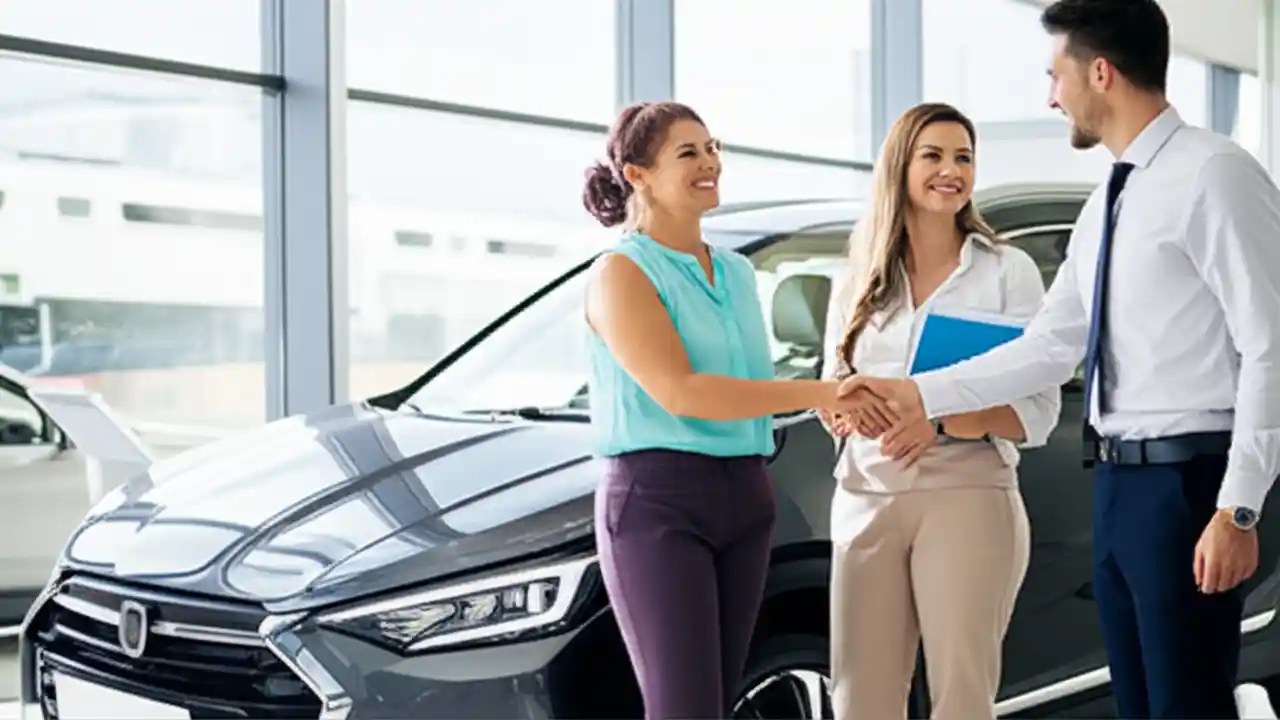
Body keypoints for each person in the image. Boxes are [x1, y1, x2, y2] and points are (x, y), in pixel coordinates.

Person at [840, 1, 1280, 717]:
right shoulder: (1108, 197)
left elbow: (1271, 343)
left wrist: (1238, 507)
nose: (1051, 96)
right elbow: (1048, 345)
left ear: (1099, 73)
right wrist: (913, 392)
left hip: (1190, 484)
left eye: (1056, 75)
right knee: (1137, 705)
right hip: (1116, 485)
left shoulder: (1216, 174)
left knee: (1188, 706)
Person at [581, 100, 886, 720]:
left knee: (719, 703)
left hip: (746, 495)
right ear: (637, 174)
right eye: (687, 153)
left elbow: (751, 386)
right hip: (659, 503)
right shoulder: (622, 272)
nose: (710, 163)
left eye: (712, 148)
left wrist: (833, 403)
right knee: (683, 709)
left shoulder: (738, 273)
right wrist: (823, 392)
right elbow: (684, 392)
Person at [818, 102, 1060, 720]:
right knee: (859, 700)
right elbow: (830, 393)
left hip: (967, 492)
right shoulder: (859, 275)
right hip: (865, 496)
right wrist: (848, 411)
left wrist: (944, 417)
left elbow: (1038, 410)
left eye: (963, 157)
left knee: (960, 695)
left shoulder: (1008, 271)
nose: (950, 170)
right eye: (933, 155)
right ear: (900, 166)